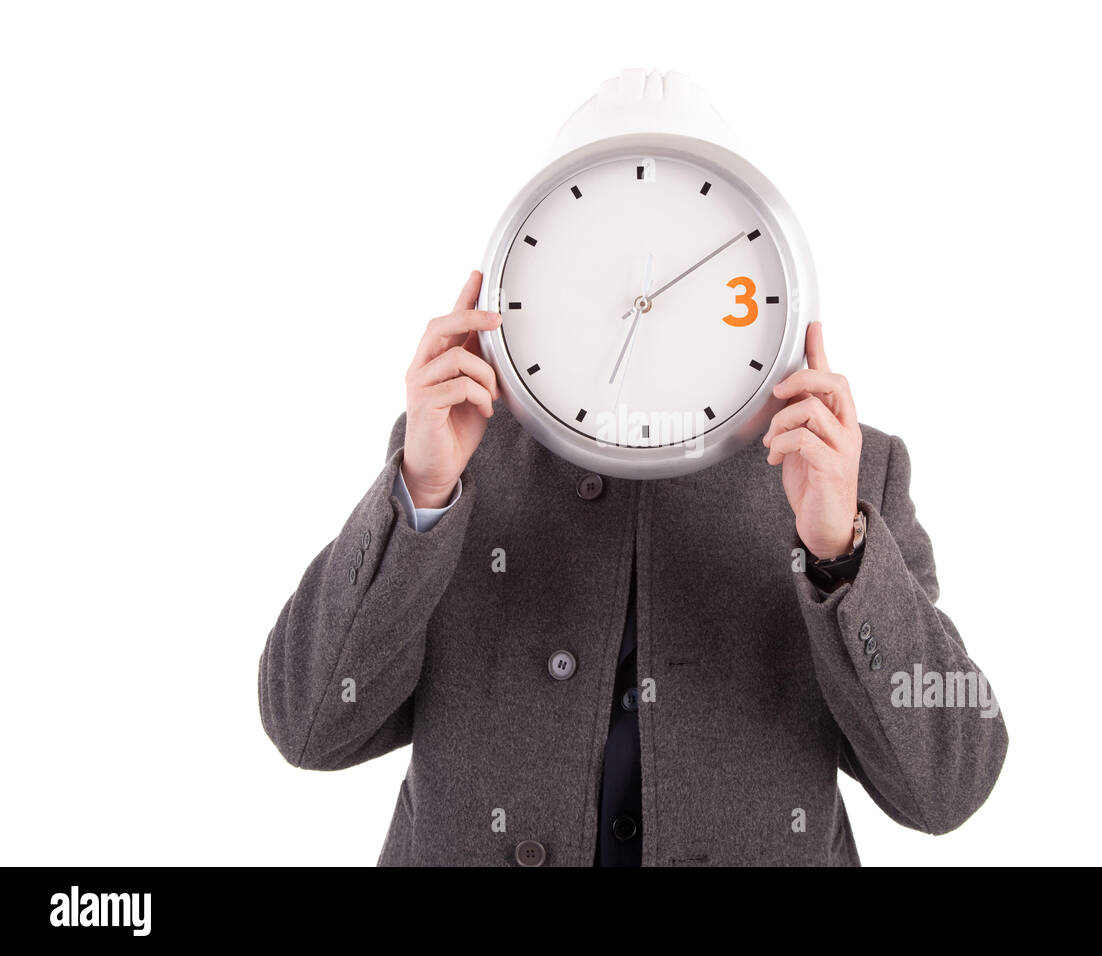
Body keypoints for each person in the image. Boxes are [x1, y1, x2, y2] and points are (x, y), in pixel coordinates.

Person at [258, 270, 1008, 866]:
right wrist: (420, 493)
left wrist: (841, 553)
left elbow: (946, 787)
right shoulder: (460, 444)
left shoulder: (843, 465)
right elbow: (310, 726)